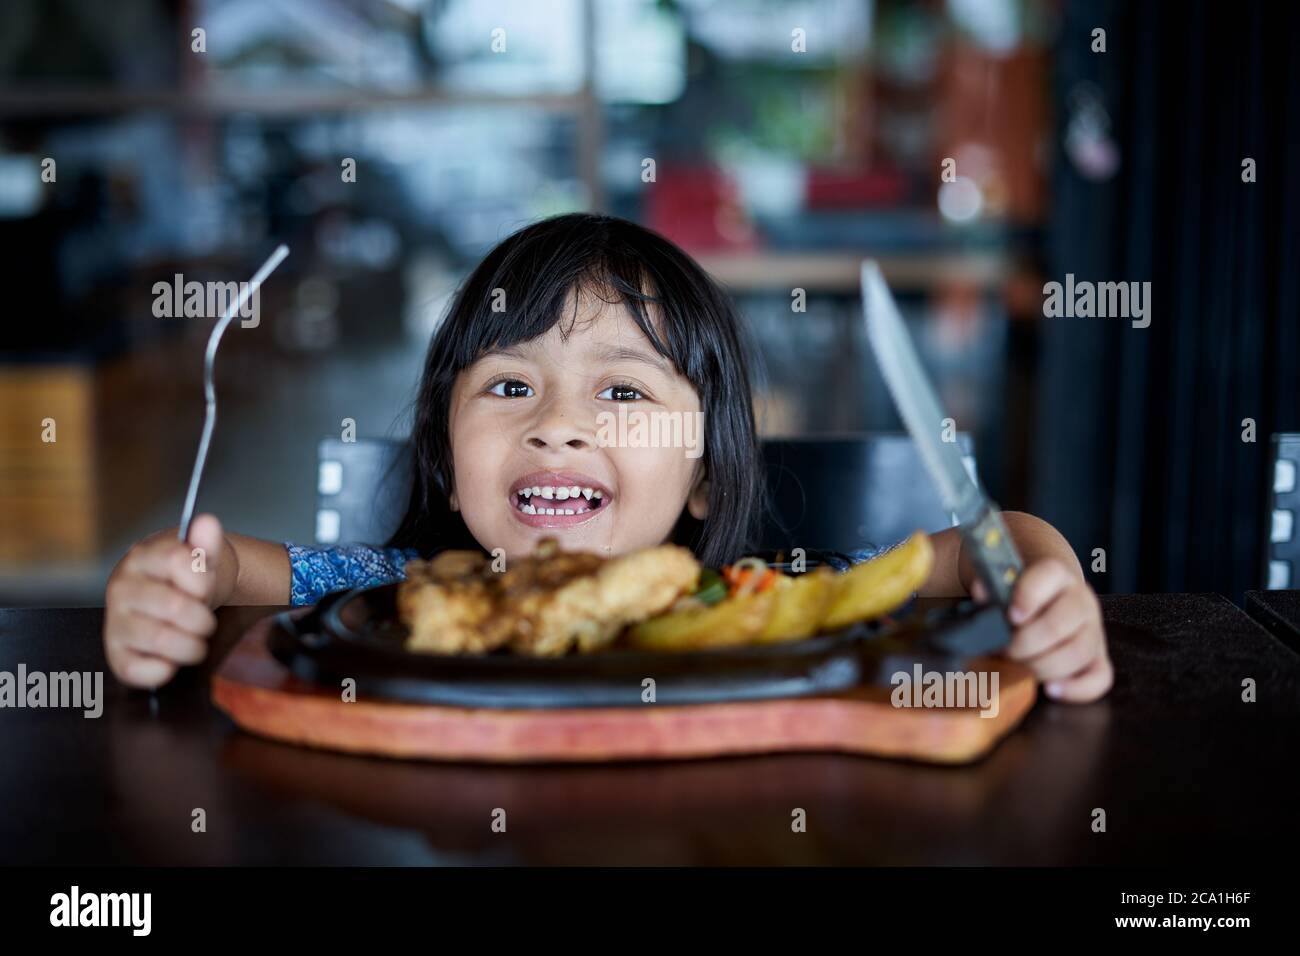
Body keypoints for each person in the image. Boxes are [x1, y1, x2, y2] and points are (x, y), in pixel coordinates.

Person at [104, 213, 1111, 702]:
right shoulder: (403, 594)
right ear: (449, 465)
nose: (557, 424)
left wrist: (1043, 577)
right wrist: (180, 582)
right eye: (508, 385)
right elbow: (236, 568)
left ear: (707, 469)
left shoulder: (751, 599)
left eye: (622, 390)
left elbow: (987, 544)